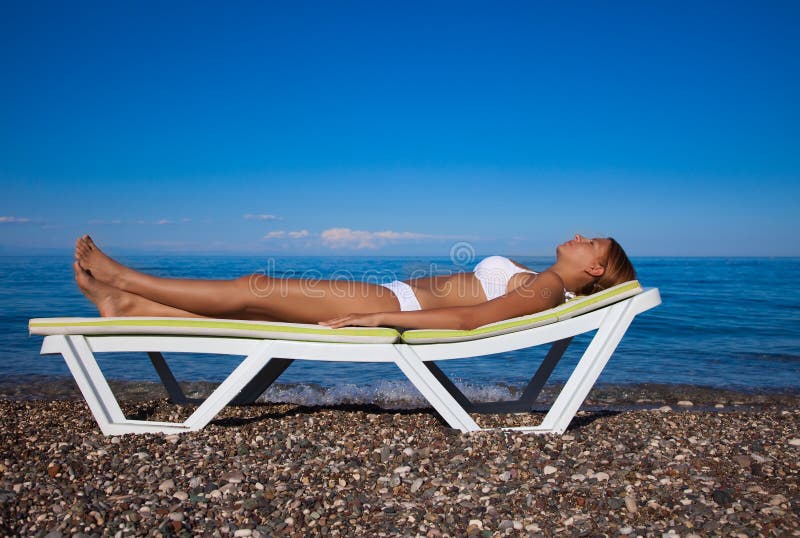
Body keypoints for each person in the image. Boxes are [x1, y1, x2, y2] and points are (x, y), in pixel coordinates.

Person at [72, 234, 635, 330]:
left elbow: (472, 319)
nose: (581, 235)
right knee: (256, 306)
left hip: (391, 302)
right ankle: (127, 307)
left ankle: (125, 277)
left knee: (252, 289)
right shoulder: (541, 280)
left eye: (593, 243)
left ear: (592, 269)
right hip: (393, 295)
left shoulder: (544, 291)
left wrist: (383, 318)